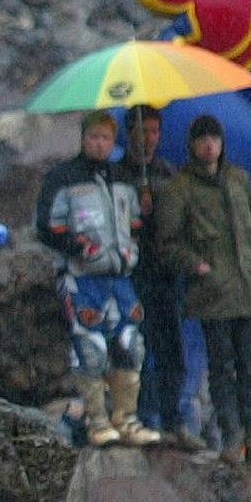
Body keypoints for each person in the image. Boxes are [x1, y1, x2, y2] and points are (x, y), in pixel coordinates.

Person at [154, 113, 251, 463]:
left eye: (214, 139)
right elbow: (168, 242)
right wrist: (197, 266)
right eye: (202, 139)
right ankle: (231, 438)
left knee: (249, 367)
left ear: (222, 144)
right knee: (222, 368)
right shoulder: (180, 189)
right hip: (212, 293)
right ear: (192, 145)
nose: (209, 146)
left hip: (247, 289)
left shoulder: (240, 180)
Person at [33, 110, 156, 448]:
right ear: (83, 139)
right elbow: (45, 225)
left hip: (120, 275)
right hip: (82, 277)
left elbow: (135, 225)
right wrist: (77, 246)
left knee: (131, 345)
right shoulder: (63, 178)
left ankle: (126, 419)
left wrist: (145, 212)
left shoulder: (122, 178)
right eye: (94, 138)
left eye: (106, 138)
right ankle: (96, 421)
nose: (100, 144)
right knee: (91, 349)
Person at [117, 105, 197, 445]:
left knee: (171, 348)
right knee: (138, 349)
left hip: (167, 275)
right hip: (133, 275)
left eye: (153, 131)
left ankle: (173, 419)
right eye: (140, 131)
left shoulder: (169, 174)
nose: (147, 139)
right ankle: (142, 418)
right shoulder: (117, 175)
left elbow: (183, 224)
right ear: (129, 134)